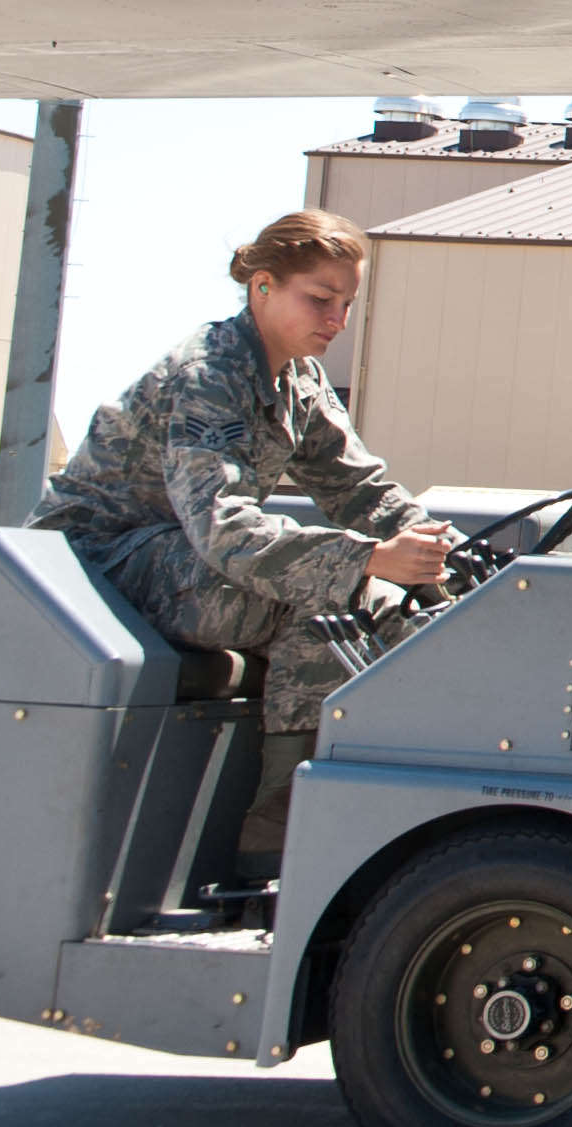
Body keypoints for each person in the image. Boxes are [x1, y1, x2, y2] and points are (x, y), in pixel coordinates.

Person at [34, 210, 456, 874]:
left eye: (347, 304)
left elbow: (361, 490)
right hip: (93, 573)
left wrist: (454, 562)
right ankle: (275, 841)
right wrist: (369, 560)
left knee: (387, 605)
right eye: (320, 299)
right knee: (332, 599)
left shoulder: (298, 378)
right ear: (262, 287)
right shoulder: (209, 374)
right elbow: (225, 530)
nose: (338, 319)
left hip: (171, 558)